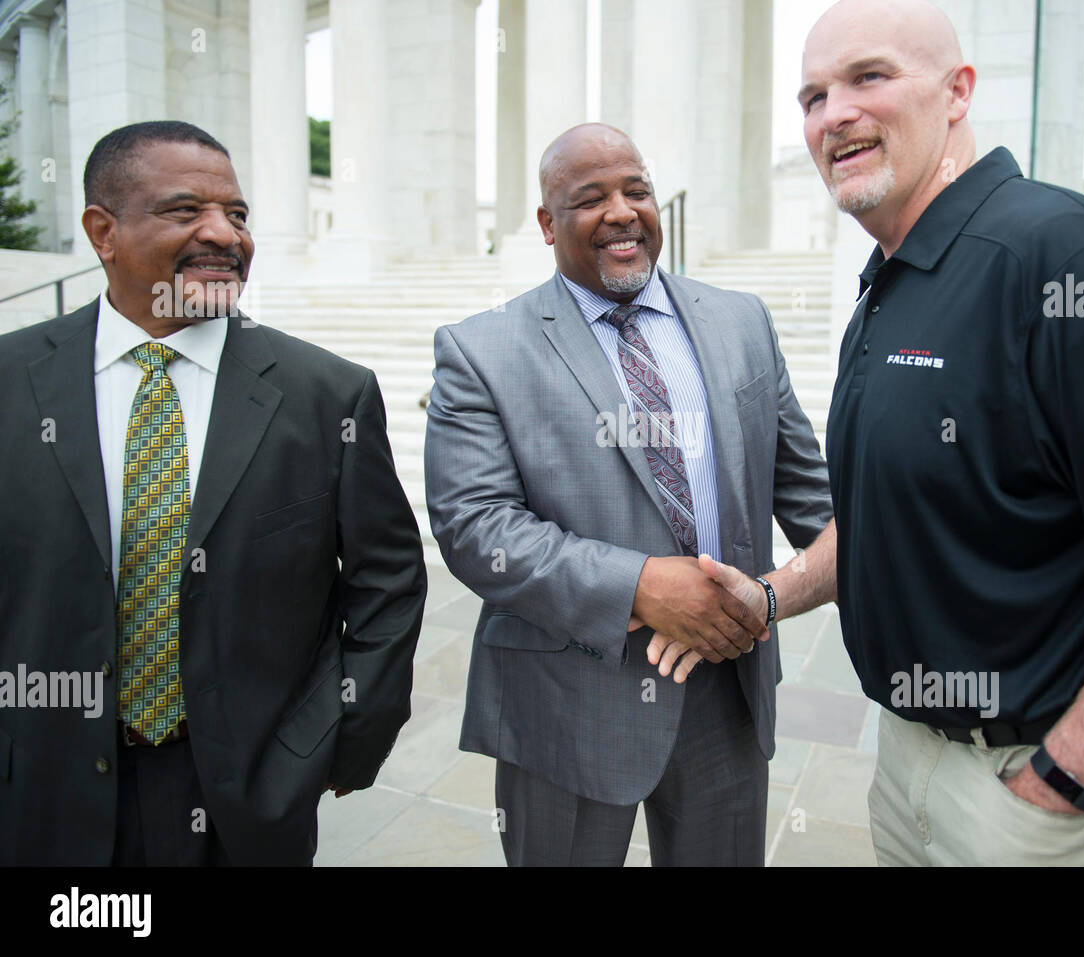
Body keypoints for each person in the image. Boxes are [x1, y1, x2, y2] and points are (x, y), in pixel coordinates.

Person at [657, 0, 1084, 866]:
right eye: (811, 96)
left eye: (868, 76)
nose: (832, 112)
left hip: (1044, 798)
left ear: (958, 92)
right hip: (908, 760)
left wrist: (1062, 784)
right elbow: (897, 517)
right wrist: (773, 596)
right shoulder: (893, 283)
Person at [0, 121, 427, 865]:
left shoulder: (328, 394)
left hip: (249, 802)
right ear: (103, 231)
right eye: (184, 210)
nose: (223, 234)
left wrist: (340, 741)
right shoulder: (11, 379)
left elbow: (386, 582)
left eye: (237, 214)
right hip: (41, 793)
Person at [423, 123, 833, 866]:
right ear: (547, 224)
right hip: (566, 700)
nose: (621, 211)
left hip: (726, 693)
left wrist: (766, 597)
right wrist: (641, 586)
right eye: (590, 198)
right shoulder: (481, 350)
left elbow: (819, 507)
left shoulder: (743, 322)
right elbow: (475, 527)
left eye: (636, 190)